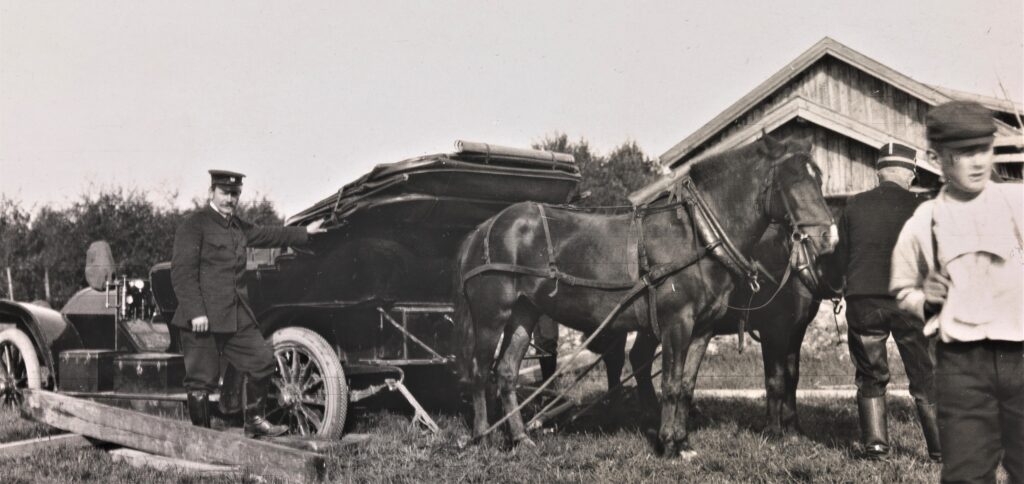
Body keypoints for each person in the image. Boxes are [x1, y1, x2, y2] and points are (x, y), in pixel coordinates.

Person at [891, 101, 1023, 483]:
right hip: (963, 365)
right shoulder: (924, 221)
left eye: (983, 149)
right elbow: (902, 292)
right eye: (964, 153)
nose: (978, 162)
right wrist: (926, 298)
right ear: (938, 157)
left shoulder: (1019, 203)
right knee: (967, 472)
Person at [171, 170, 325, 438]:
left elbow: (269, 234)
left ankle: (253, 421)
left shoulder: (237, 227)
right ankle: (202, 440)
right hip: (202, 317)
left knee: (262, 360)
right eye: (225, 193)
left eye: (235, 194)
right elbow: (181, 273)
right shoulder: (194, 225)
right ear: (211, 192)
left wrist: (305, 233)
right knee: (201, 381)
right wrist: (196, 312)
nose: (231, 199)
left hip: (234, 315)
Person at [836, 142, 940, 460]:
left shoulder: (853, 206)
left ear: (878, 173)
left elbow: (841, 258)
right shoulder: (925, 206)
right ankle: (940, 450)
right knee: (926, 375)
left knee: (870, 375)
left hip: (864, 301)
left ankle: (876, 445)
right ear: (910, 173)